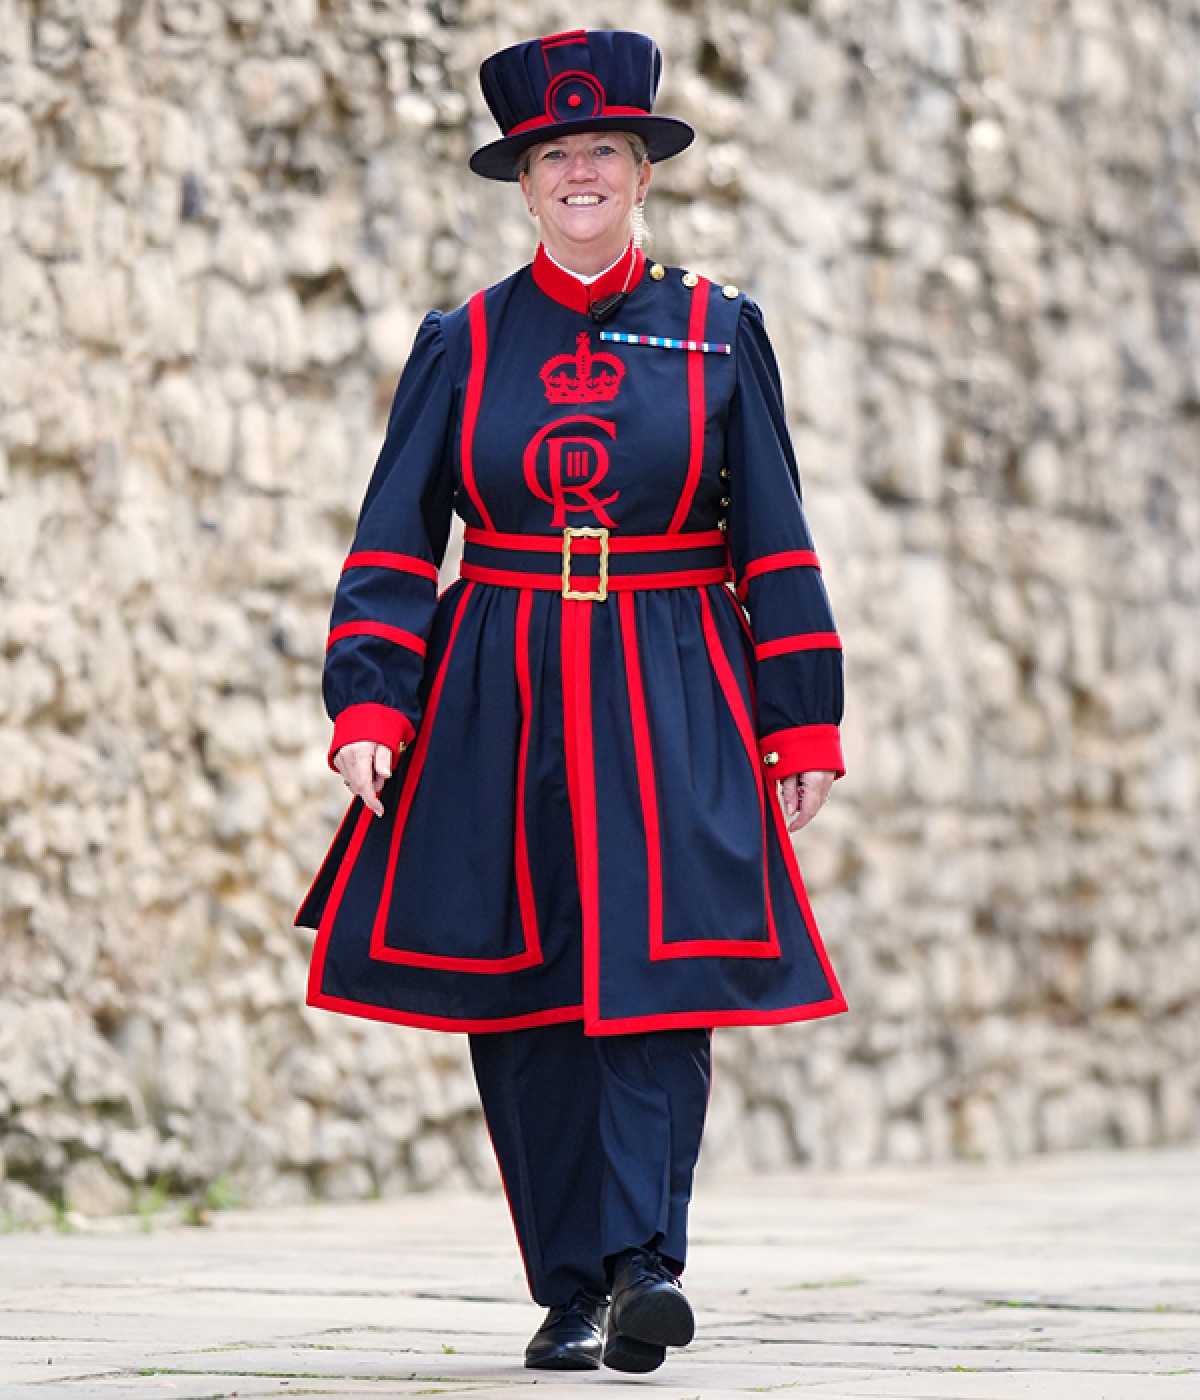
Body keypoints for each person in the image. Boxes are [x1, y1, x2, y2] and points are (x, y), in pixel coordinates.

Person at [296, 28, 846, 1375]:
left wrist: (804, 716)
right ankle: (570, 1285)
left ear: (643, 174)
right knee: (523, 990)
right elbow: (391, 538)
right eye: (557, 157)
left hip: (676, 679)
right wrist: (371, 704)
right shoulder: (464, 340)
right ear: (526, 183)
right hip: (498, 686)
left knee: (663, 980)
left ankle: (648, 1268)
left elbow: (772, 532)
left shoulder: (720, 330)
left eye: (605, 150)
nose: (583, 174)